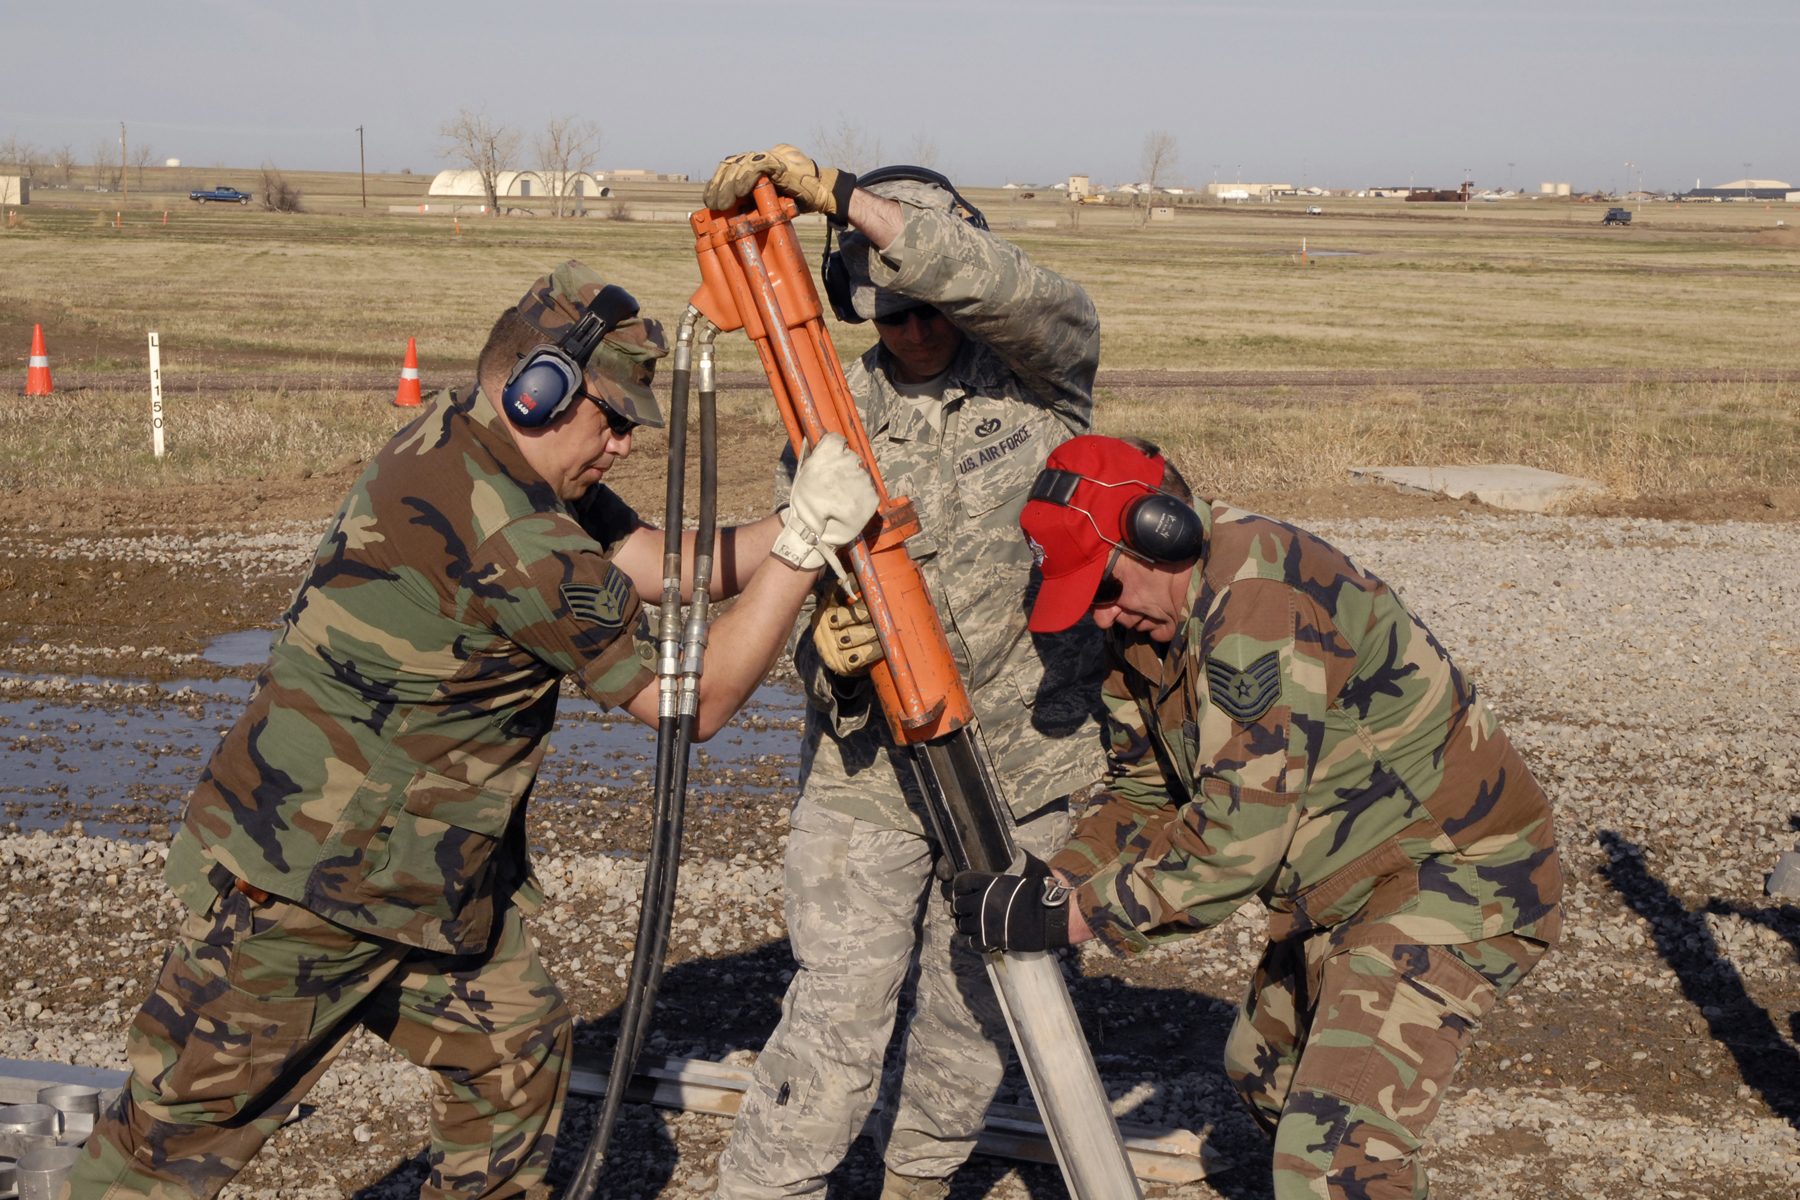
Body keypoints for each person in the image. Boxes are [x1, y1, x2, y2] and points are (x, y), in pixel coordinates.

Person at [65, 261, 878, 1200]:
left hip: (419, 877)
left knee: (514, 1053)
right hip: (308, 883)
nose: (620, 444)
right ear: (540, 389)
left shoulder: (473, 439)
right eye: (609, 418)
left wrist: (793, 530)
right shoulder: (514, 538)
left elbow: (653, 559)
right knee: (175, 1138)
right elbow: (689, 701)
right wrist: (799, 554)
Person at [951, 434, 1564, 1199]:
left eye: (1107, 588)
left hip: (1456, 876)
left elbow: (1236, 841)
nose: (1105, 617)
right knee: (1265, 1076)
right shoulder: (1152, 630)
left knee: (1332, 1156)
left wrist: (1074, 919)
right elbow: (1147, 796)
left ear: (1162, 533)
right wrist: (1054, 881)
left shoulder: (1257, 594)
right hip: (1346, 887)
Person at [699, 147, 1108, 1200]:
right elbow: (808, 571)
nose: (917, 331)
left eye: (932, 306)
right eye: (891, 315)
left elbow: (1036, 296)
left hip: (1023, 763)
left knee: (972, 1022)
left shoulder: (1042, 380)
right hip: (869, 778)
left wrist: (843, 200)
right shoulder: (826, 419)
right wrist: (825, 660)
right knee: (836, 1019)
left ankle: (917, 1185)